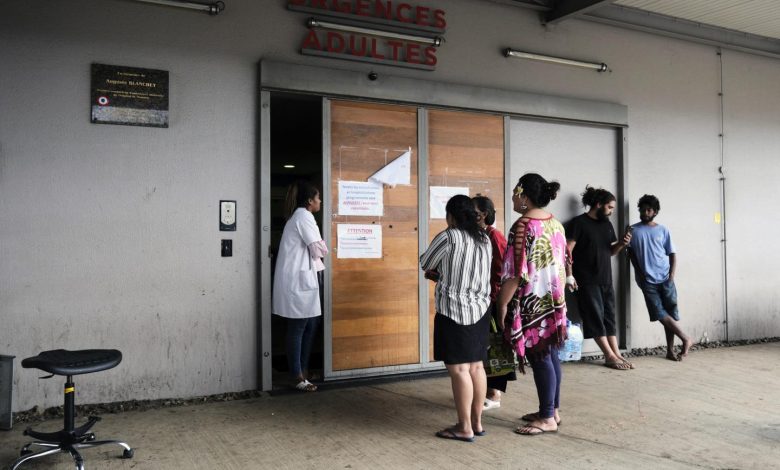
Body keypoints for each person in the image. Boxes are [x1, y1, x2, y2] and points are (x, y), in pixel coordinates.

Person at [496, 173, 569, 436]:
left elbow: (516, 272)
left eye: (516, 193)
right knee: (550, 355)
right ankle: (552, 410)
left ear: (524, 196)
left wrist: (502, 305)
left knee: (540, 357)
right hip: (554, 300)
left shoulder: (523, 226)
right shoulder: (556, 224)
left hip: (532, 302)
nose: (513, 197)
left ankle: (547, 417)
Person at [420, 194, 492, 443]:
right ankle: (477, 423)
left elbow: (426, 262)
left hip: (453, 310)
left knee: (460, 369)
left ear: (451, 215)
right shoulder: (485, 238)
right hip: (481, 309)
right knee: (476, 367)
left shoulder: (448, 236)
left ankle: (464, 427)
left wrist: (441, 273)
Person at [566, 186, 634, 370]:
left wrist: (621, 243)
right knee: (595, 318)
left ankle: (616, 354)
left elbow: (610, 251)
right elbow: (567, 250)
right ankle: (609, 355)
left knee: (609, 318)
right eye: (610, 207)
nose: (612, 211)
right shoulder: (578, 223)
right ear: (598, 204)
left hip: (606, 279)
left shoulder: (606, 225)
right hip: (587, 280)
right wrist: (569, 275)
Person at [272, 180, 328, 392]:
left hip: (303, 278)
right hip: (298, 281)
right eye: (318, 198)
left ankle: (303, 369)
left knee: (311, 323)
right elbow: (318, 250)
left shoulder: (299, 216)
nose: (320, 201)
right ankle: (296, 375)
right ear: (309, 201)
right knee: (298, 326)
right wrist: (324, 245)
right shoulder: (304, 217)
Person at [627, 195, 693, 361]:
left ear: (655, 212)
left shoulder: (663, 230)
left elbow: (672, 254)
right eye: (642, 209)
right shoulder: (632, 230)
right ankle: (685, 338)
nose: (645, 212)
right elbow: (631, 254)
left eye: (648, 209)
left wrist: (671, 275)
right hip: (647, 281)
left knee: (668, 314)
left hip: (665, 278)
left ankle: (670, 351)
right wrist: (640, 274)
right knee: (659, 313)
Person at [471, 196, 512, 411]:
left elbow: (501, 271)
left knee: (496, 347)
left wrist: (495, 298)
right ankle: (487, 391)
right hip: (481, 298)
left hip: (493, 299)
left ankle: (495, 394)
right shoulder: (478, 235)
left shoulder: (494, 236)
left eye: (474, 210)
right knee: (486, 346)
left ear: (484, 214)